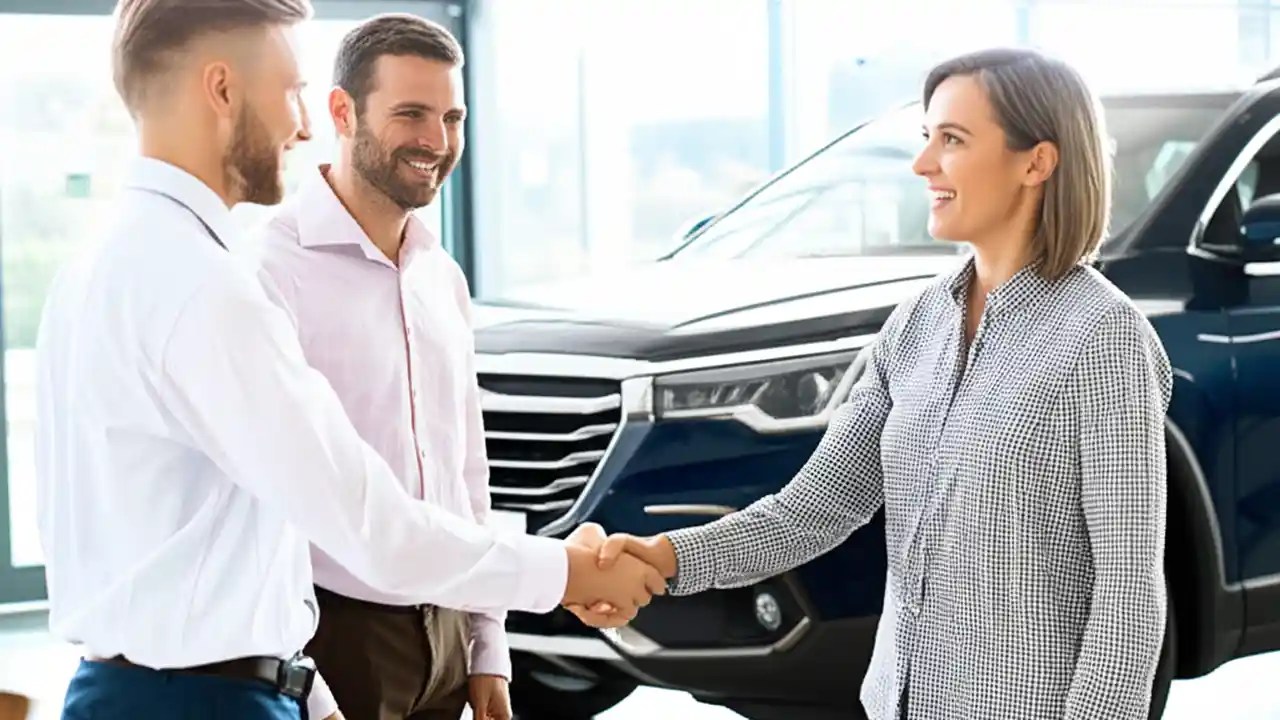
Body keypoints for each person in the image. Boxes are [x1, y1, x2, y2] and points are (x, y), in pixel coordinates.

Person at [34, 3, 662, 720]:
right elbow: (368, 524)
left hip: (151, 689)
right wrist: (567, 571)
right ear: (222, 89)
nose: (302, 126)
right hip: (206, 700)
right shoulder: (210, 287)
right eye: (292, 90)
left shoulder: (95, 269)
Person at [582, 48, 1172, 720]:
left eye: (951, 140)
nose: (923, 166)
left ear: (1036, 162)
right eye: (927, 139)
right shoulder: (915, 324)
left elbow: (1129, 593)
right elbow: (810, 513)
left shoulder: (1104, 339)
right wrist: (661, 559)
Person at [245, 14, 514, 720]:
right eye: (412, 114)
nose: (438, 140)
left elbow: (467, 477)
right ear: (342, 111)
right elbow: (258, 502)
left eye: (451, 116)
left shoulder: (441, 276)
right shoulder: (269, 270)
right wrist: (310, 681)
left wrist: (488, 647)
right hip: (338, 640)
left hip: (449, 633)